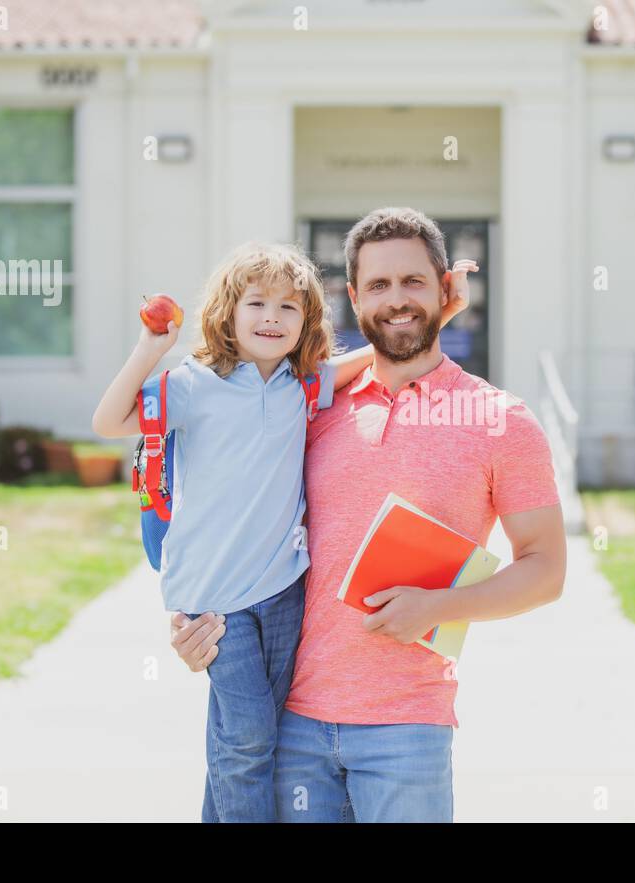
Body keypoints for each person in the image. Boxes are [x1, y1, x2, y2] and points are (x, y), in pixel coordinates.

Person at [169, 209, 567, 822]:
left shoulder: (501, 421)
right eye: (378, 286)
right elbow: (224, 512)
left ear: (443, 289)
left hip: (407, 730)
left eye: (413, 282)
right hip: (293, 725)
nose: (397, 299)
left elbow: (545, 571)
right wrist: (198, 622)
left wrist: (438, 607)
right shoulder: (306, 407)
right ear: (353, 299)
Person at [91, 240, 475, 821]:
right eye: (256, 304)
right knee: (245, 740)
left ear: (307, 322)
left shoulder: (305, 386)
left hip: (281, 591)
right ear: (228, 313)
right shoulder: (195, 385)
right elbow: (108, 421)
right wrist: (151, 348)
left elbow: (379, 354)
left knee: (251, 737)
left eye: (288, 308)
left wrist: (439, 312)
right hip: (214, 598)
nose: (271, 317)